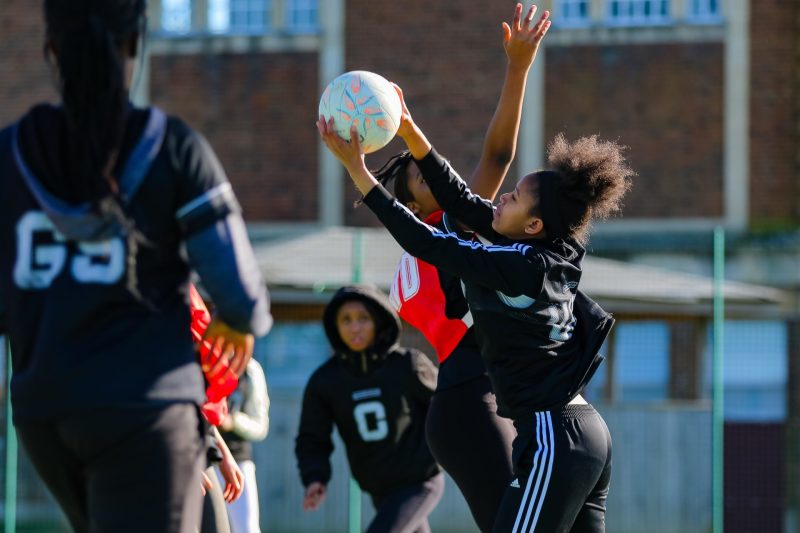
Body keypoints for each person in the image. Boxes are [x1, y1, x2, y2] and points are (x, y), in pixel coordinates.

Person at [317, 63, 633, 533]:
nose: (501, 196)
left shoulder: (514, 264)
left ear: (533, 224)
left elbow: (434, 230)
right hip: (580, 428)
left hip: (551, 431)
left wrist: (360, 173)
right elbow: (462, 201)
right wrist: (406, 127)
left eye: (515, 197)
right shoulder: (553, 246)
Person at [0, 1, 272, 531]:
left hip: (46, 413)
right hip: (146, 412)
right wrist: (235, 326)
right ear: (134, 44)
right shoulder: (172, 146)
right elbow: (241, 296)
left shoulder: (8, 155)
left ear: (50, 49)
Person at [372, 5, 549, 531]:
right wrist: (518, 69)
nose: (440, 173)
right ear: (413, 202)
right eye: (426, 178)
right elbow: (497, 156)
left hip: (469, 398)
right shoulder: (444, 232)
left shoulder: (419, 256)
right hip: (472, 399)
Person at [295, 285, 443, 533]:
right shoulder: (325, 381)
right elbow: (312, 437)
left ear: (378, 320)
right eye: (346, 320)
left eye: (363, 318)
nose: (355, 327)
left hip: (420, 481)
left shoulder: (408, 365)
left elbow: (446, 410)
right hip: (379, 488)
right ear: (335, 326)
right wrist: (315, 477)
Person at [217, 359, 270, 533]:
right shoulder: (198, 356)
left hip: (237, 459)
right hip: (201, 460)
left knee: (246, 529)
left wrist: (234, 422)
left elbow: (260, 426)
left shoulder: (250, 369)